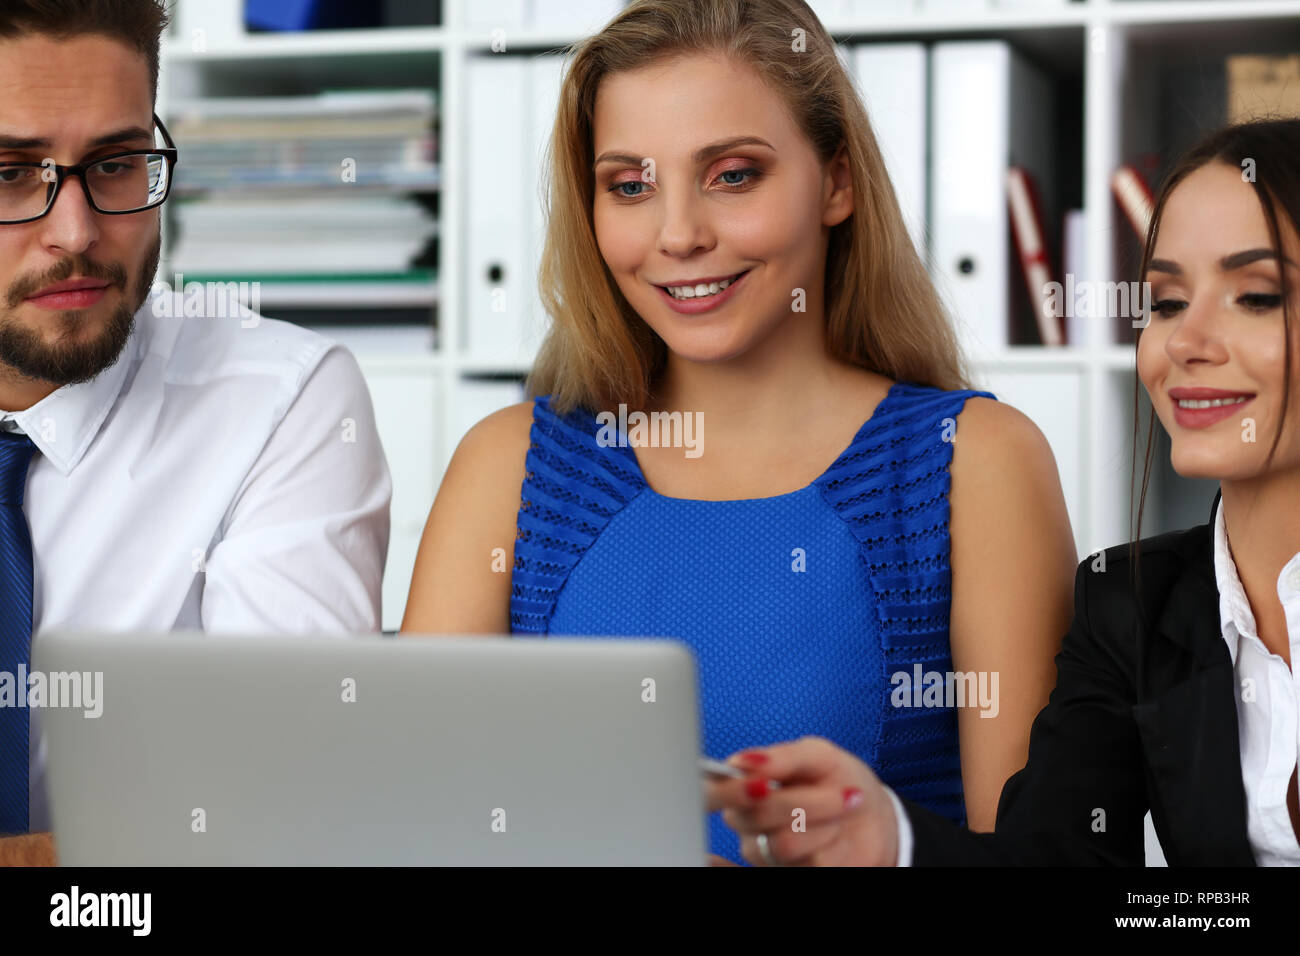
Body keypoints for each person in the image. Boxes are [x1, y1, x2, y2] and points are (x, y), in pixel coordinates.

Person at [405, 0, 1075, 864]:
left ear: (836, 183)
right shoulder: (509, 465)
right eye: (630, 186)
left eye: (733, 175)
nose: (679, 235)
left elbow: (1029, 862)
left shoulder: (972, 465)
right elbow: (413, 829)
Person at [706, 117, 1300, 867]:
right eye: (1168, 303)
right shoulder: (1130, 605)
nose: (1185, 343)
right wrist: (889, 839)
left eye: (1256, 296)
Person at [0, 0, 392, 865]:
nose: (77, 233)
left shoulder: (276, 401)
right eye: (8, 173)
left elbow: (282, 824)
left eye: (116, 163)